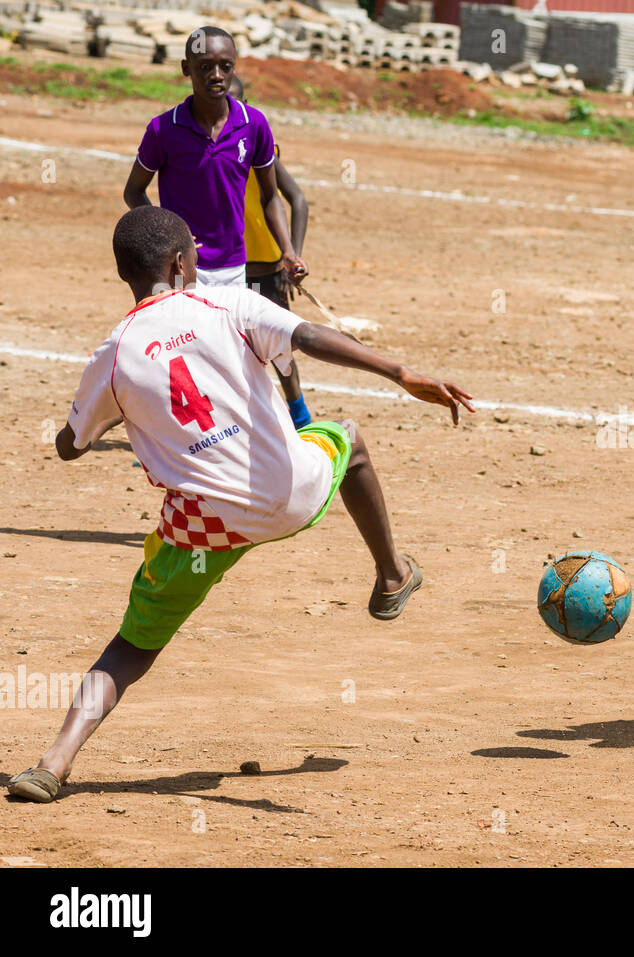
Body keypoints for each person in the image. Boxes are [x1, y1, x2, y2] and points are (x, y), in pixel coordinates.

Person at [5, 207, 475, 803]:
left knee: (132, 643)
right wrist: (400, 372)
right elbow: (307, 337)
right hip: (290, 491)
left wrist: (121, 415)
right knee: (348, 439)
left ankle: (52, 764)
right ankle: (392, 574)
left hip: (206, 527)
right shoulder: (227, 304)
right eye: (193, 255)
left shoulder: (114, 353)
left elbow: (70, 448)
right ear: (180, 265)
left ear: (126, 273)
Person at [122, 25, 313, 422]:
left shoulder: (254, 125)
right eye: (205, 66)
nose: (216, 75)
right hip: (178, 270)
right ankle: (171, 429)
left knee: (237, 352)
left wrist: (290, 252)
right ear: (185, 69)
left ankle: (276, 420)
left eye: (225, 66)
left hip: (232, 267)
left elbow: (271, 196)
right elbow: (133, 193)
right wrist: (165, 233)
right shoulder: (163, 130)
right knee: (179, 351)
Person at [229, 73, 312, 430]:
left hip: (265, 264)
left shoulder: (257, 147)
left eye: (233, 104)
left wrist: (292, 253)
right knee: (223, 346)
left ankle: (300, 418)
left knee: (279, 347)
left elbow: (297, 199)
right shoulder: (201, 149)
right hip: (223, 264)